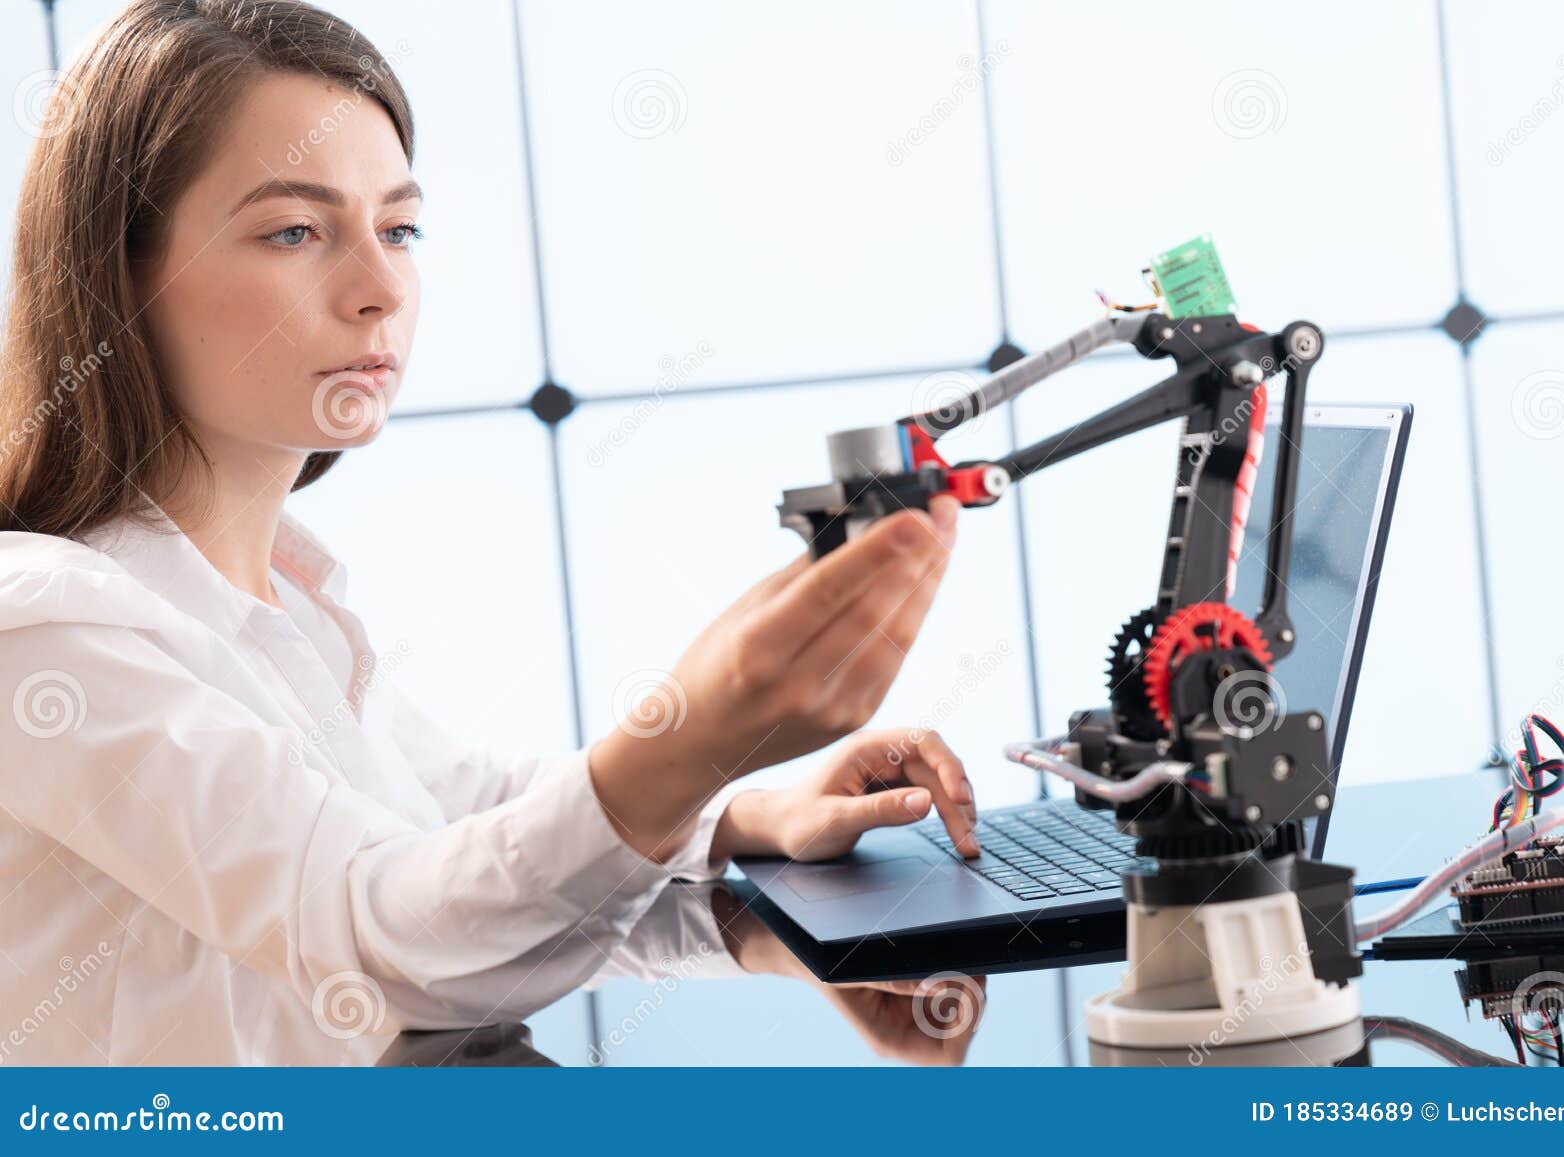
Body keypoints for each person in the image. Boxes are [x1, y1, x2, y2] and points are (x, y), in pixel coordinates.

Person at [0, 0, 978, 1065]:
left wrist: (742, 828)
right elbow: (379, 940)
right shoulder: (40, 627)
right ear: (120, 279)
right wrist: (690, 738)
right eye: (295, 230)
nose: (381, 290)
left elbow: (464, 839)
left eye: (400, 227)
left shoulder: (284, 597)